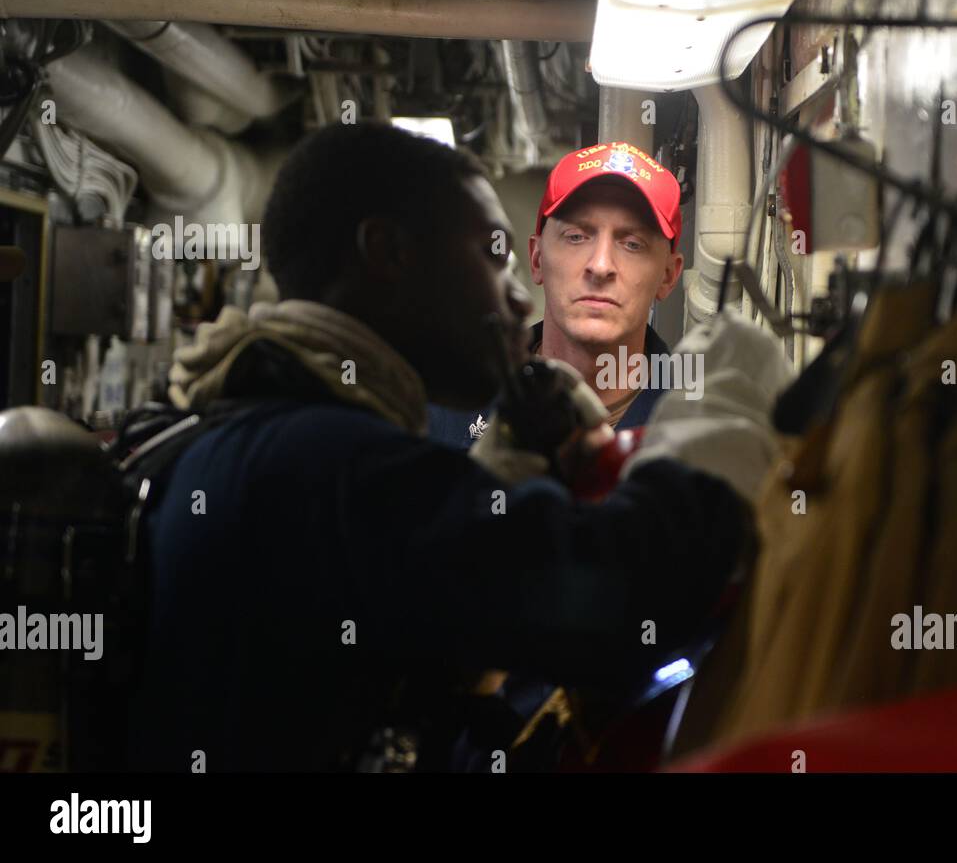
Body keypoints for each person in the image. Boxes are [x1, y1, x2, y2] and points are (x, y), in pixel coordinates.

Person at [125, 123, 747, 772]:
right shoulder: (339, 465)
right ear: (389, 253)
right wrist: (732, 424)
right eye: (491, 252)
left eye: (632, 243)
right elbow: (614, 601)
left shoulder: (266, 430)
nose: (514, 293)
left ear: (670, 271)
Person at [426, 141, 684, 449]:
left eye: (632, 244)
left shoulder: (702, 424)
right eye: (576, 237)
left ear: (668, 276)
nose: (600, 266)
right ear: (536, 259)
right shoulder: (451, 402)